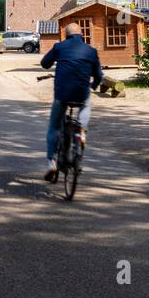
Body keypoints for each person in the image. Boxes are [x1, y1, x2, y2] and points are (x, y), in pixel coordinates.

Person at [39, 22, 102, 182]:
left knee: (53, 127)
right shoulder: (91, 51)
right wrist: (92, 86)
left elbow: (44, 63)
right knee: (85, 105)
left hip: (62, 94)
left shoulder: (59, 47)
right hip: (81, 93)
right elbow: (99, 76)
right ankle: (81, 131)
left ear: (66, 35)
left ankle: (51, 162)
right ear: (82, 35)